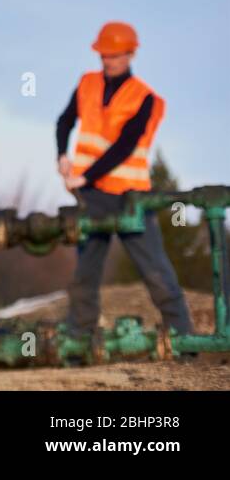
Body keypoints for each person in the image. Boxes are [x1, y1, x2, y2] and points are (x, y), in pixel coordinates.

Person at [57, 20, 193, 339]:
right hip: (93, 196)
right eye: (104, 55)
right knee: (84, 274)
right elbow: (64, 121)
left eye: (115, 56)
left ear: (131, 54)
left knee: (156, 271)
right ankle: (79, 342)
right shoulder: (87, 84)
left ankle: (185, 341)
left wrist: (85, 175)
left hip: (132, 197)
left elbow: (126, 145)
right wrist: (62, 156)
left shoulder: (144, 98)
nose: (108, 61)